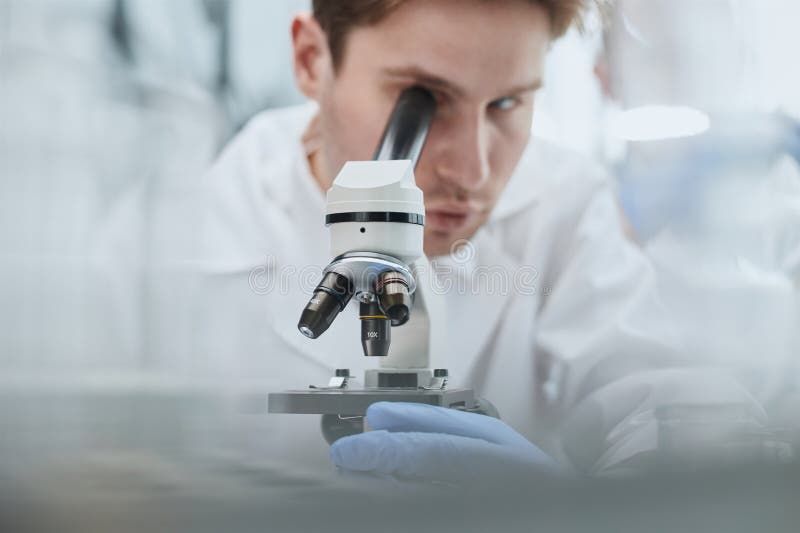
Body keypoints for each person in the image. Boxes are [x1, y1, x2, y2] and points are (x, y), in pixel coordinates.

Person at [199, 0, 765, 480]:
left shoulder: (561, 204)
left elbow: (668, 406)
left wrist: (569, 513)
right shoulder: (209, 216)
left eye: (507, 104)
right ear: (310, 60)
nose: (472, 172)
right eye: (424, 97)